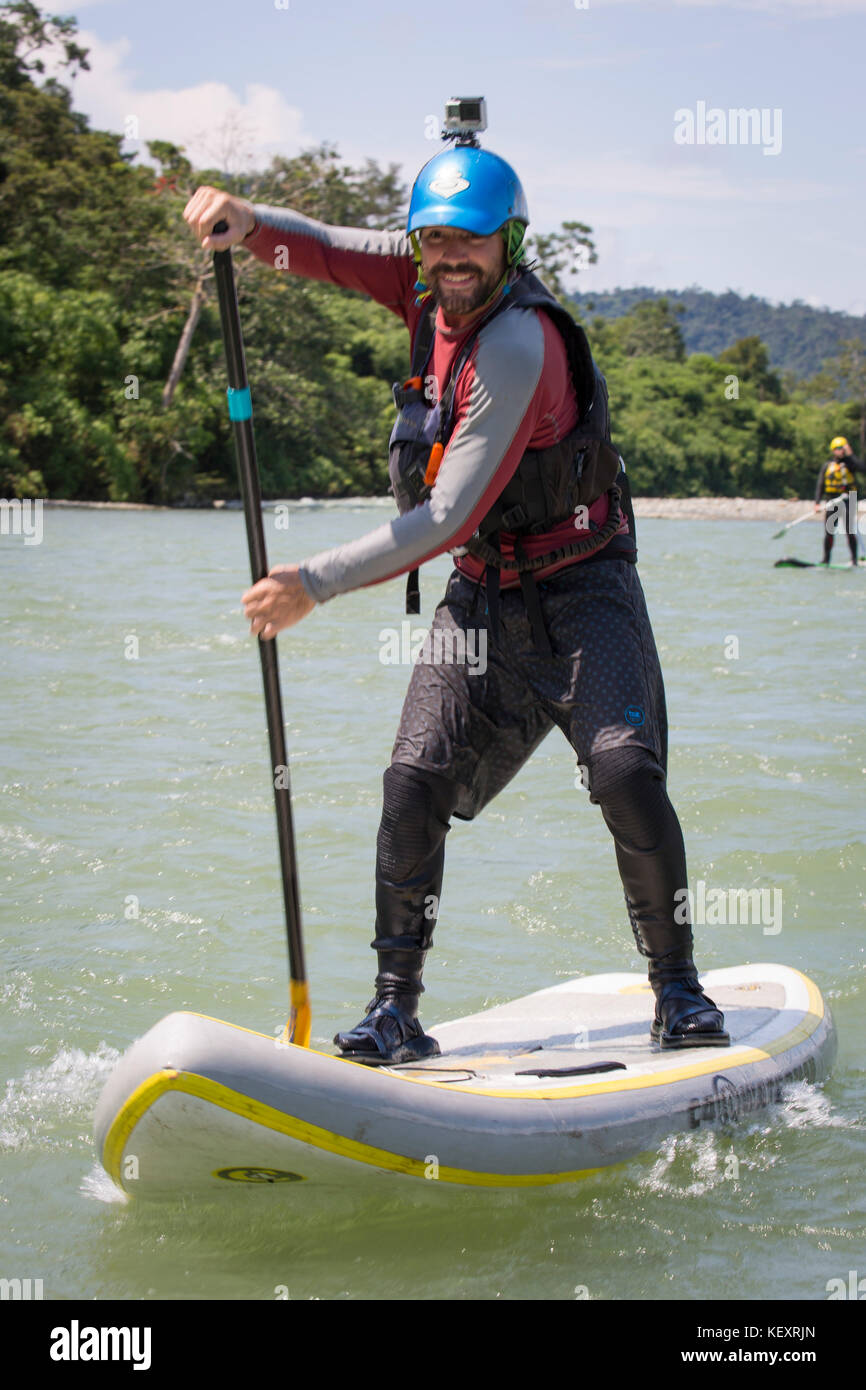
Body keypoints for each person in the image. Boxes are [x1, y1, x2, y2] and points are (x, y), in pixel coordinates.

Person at [184, 137, 730, 1063]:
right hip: (483, 589)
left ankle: (677, 989)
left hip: (583, 578)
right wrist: (251, 224)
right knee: (413, 779)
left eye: (471, 241)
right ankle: (396, 1009)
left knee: (625, 771)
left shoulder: (518, 340)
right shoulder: (421, 279)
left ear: (510, 242)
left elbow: (445, 516)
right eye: (434, 239)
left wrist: (310, 582)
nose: (450, 258)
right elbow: (321, 246)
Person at [814, 436, 864, 566]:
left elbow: (863, 469)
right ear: (833, 450)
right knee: (829, 531)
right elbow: (820, 484)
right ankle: (826, 559)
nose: (840, 451)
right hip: (832, 500)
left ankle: (854, 560)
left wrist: (851, 454)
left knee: (849, 530)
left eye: (842, 448)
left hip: (849, 499)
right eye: (838, 449)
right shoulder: (827, 465)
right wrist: (817, 503)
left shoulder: (850, 464)